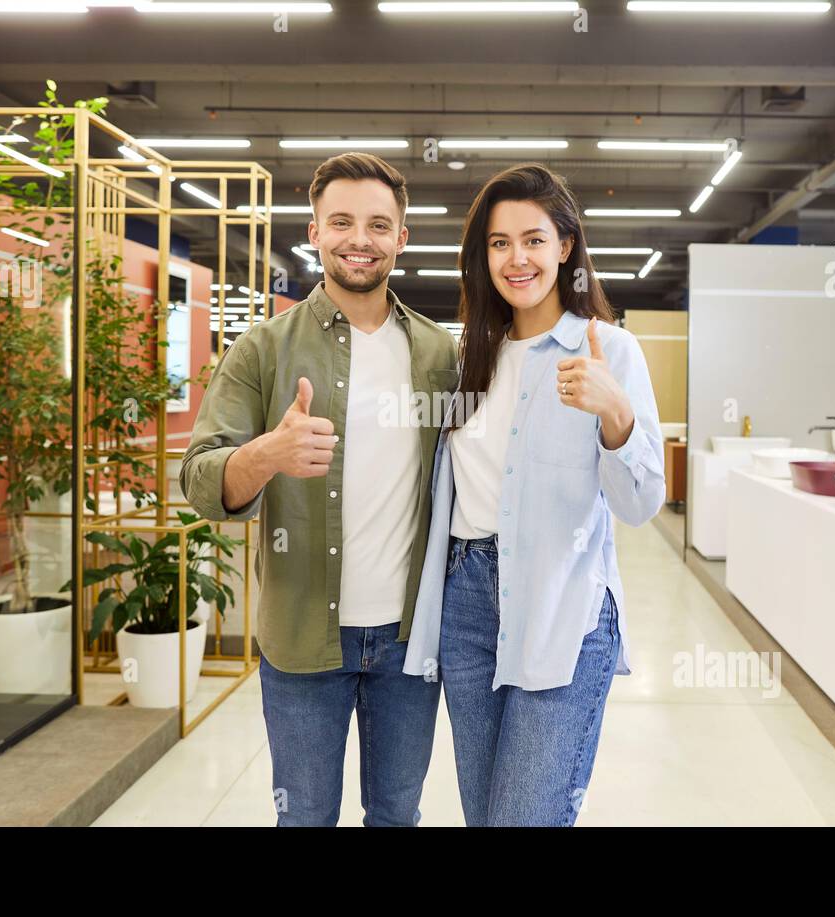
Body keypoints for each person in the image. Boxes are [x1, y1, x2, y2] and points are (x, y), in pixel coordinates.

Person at [181, 152, 459, 826]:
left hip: (407, 643)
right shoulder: (263, 348)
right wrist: (265, 454)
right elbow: (200, 478)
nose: (358, 239)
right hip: (304, 637)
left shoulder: (439, 355)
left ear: (402, 237)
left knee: (397, 813)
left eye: (376, 224)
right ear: (314, 231)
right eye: (341, 221)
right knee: (304, 816)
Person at [402, 163, 666, 826]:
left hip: (562, 606)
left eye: (533, 239)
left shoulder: (611, 352)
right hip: (466, 605)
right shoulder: (470, 357)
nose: (516, 258)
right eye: (498, 243)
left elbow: (640, 504)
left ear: (566, 246)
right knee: (484, 814)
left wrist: (617, 417)